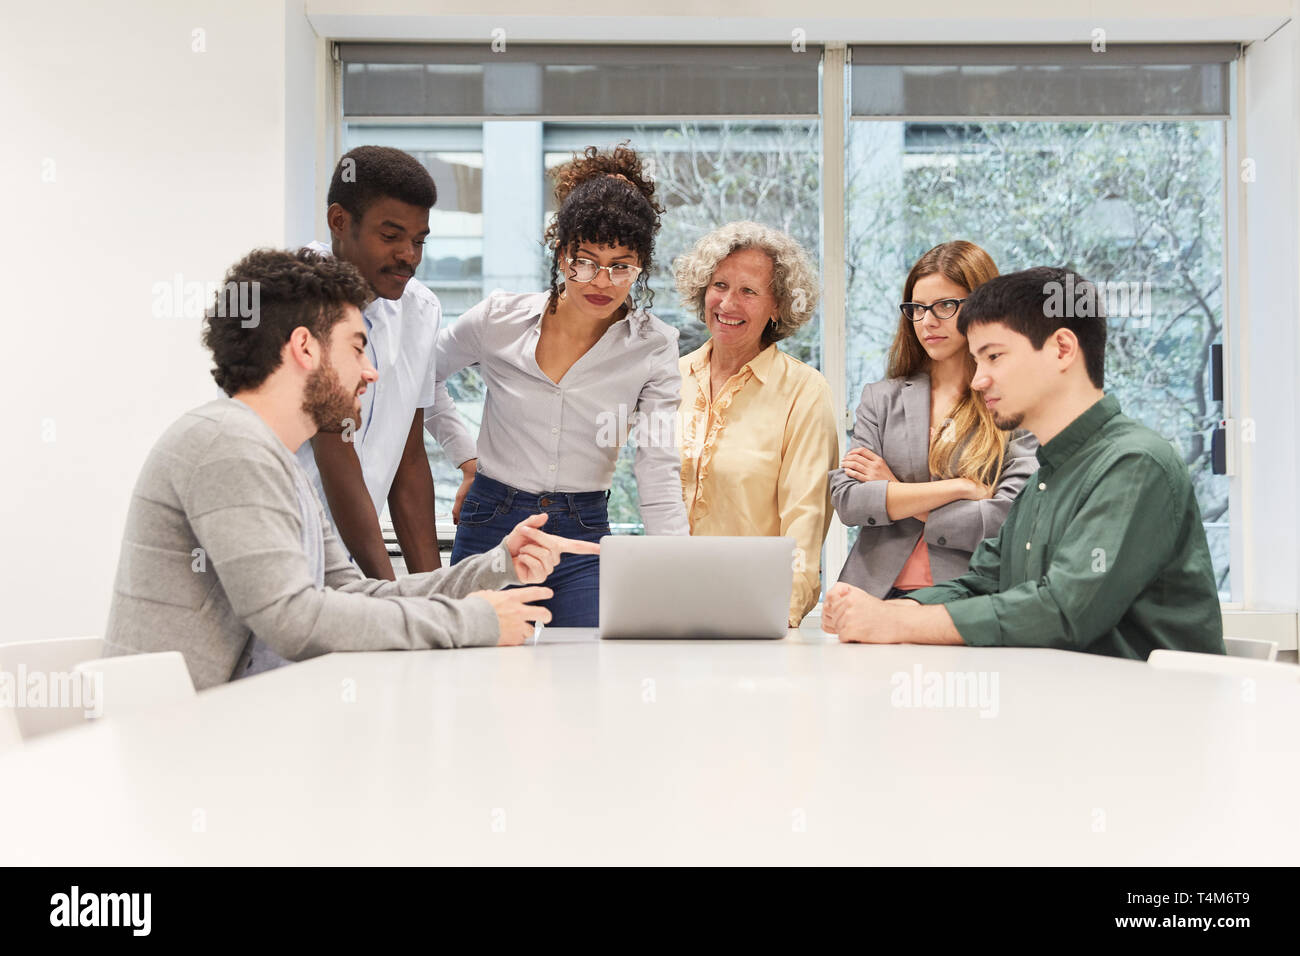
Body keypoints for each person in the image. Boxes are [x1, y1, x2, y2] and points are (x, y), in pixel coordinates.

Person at [103, 249, 598, 690]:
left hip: (237, 736)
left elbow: (354, 593)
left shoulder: (274, 460)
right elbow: (294, 618)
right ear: (304, 348)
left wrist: (496, 565)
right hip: (180, 752)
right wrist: (472, 622)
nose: (370, 372)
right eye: (358, 347)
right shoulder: (227, 445)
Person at [823, 266, 1225, 659]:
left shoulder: (1134, 464)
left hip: (1146, 715)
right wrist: (892, 608)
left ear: (1062, 349)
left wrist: (898, 624)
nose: (979, 380)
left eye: (994, 356)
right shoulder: (1048, 476)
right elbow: (988, 579)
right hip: (1072, 702)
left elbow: (1062, 610)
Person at [433, 145, 689, 627]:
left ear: (641, 267)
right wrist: (465, 458)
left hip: (581, 531)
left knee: (581, 680)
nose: (601, 281)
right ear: (561, 252)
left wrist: (677, 572)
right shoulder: (498, 319)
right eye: (586, 260)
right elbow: (422, 377)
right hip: (491, 520)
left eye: (621, 265)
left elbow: (657, 466)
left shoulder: (654, 347)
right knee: (478, 673)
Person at [298, 146, 478, 580]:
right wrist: (393, 594)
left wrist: (431, 596)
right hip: (281, 557)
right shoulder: (295, 295)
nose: (409, 255)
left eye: (418, 241)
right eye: (391, 235)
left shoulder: (420, 311)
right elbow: (333, 450)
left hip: (347, 569)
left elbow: (409, 459)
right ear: (339, 222)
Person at [830, 241, 1038, 599]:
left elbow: (1007, 522)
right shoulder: (881, 398)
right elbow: (850, 501)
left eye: (945, 305)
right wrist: (960, 489)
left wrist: (895, 489)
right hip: (872, 596)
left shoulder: (1017, 404)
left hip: (970, 598)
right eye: (918, 308)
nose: (927, 322)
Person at [673, 221, 839, 627]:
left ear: (778, 306)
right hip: (671, 599)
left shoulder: (804, 390)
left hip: (756, 607)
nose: (728, 304)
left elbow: (806, 517)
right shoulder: (669, 378)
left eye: (749, 291)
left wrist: (783, 614)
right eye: (720, 285)